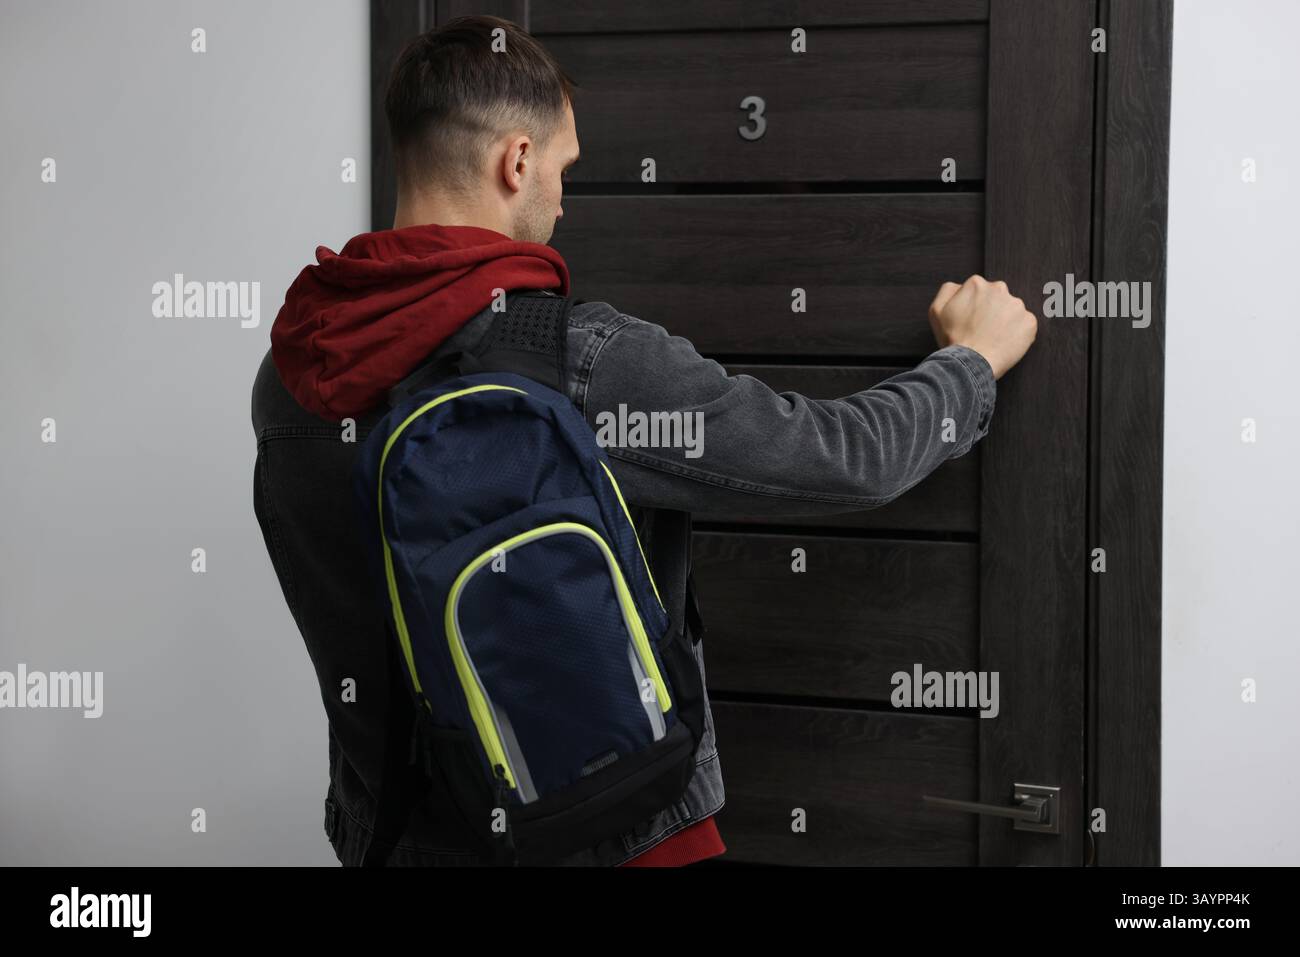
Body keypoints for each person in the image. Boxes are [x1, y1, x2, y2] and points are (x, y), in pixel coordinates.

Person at [250, 14, 1037, 867]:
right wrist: (971, 360)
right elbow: (839, 457)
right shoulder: (578, 360)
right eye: (562, 168)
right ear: (515, 162)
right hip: (608, 832)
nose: (564, 197)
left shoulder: (294, 365)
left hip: (400, 837)